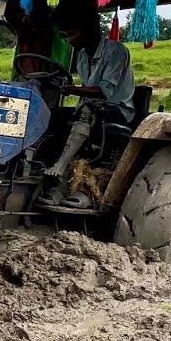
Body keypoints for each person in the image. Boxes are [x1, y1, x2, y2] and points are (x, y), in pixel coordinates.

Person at [38, 13, 136, 208]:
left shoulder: (116, 51)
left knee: (89, 109)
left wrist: (72, 90)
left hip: (117, 109)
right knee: (55, 115)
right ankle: (50, 178)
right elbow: (87, 88)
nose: (68, 41)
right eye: (65, 36)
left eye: (72, 34)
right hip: (92, 105)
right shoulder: (82, 55)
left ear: (90, 31)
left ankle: (63, 167)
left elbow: (104, 91)